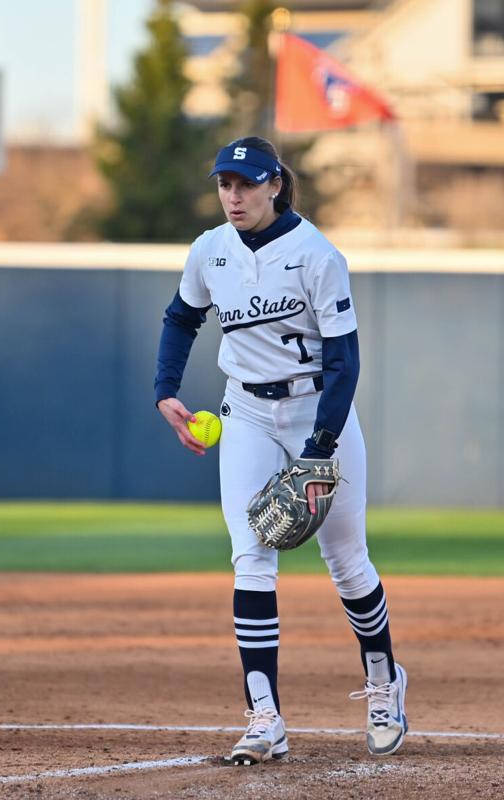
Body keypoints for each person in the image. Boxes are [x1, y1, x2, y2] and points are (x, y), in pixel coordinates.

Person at [153, 136, 406, 765]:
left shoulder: (317, 256)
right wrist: (166, 390)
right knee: (251, 557)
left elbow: (344, 362)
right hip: (245, 414)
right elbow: (181, 317)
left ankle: (384, 681)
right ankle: (264, 718)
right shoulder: (210, 250)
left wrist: (320, 449)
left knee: (346, 560)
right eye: (224, 184)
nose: (233, 196)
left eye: (246, 184)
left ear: (275, 186)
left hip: (317, 412)